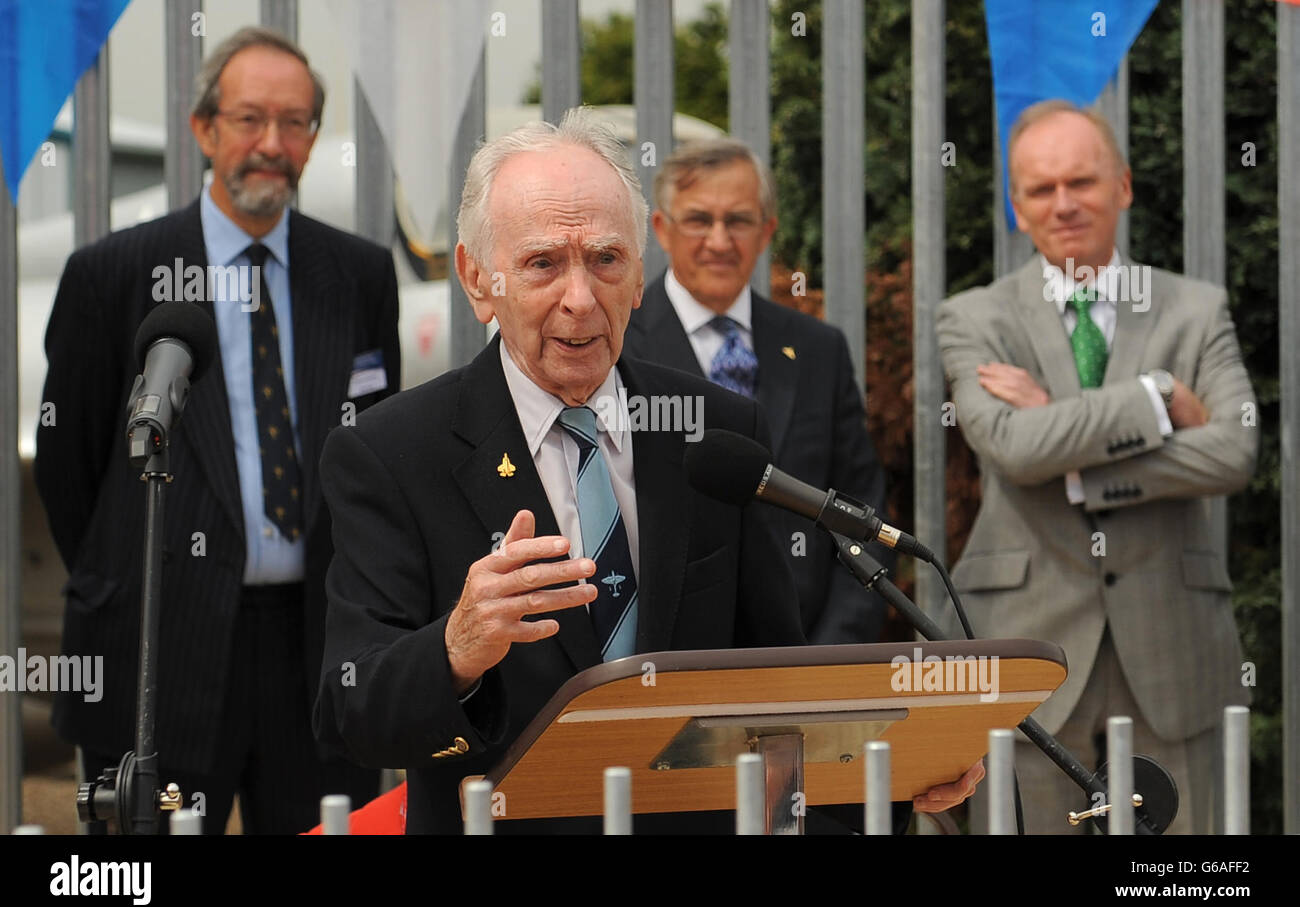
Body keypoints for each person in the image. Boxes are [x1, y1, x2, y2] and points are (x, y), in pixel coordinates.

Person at [313, 108, 982, 834]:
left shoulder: (716, 428)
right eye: (543, 263)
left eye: (606, 260)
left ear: (638, 276)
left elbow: (772, 694)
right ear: (479, 280)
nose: (580, 296)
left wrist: (886, 781)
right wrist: (457, 649)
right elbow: (351, 713)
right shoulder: (391, 452)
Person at [36, 26, 399, 834]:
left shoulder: (360, 276)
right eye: (250, 119)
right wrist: (136, 574)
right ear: (204, 129)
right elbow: (72, 474)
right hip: (159, 652)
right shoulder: (113, 275)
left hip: (318, 656)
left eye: (296, 122)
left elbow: (373, 450)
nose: (273, 144)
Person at [936, 100, 1257, 834]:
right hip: (1028, 655)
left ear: (1124, 186)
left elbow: (1235, 448)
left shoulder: (1196, 310)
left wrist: (1068, 448)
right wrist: (1157, 399)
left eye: (1082, 181)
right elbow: (1013, 449)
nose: (1064, 203)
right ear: (1017, 208)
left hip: (1173, 654)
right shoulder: (974, 316)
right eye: (1041, 190)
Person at [622, 138, 892, 644]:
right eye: (700, 219)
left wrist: (832, 655)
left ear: (767, 230)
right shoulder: (616, 350)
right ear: (661, 229)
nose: (720, 241)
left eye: (739, 221)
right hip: (666, 667)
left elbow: (861, 510)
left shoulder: (818, 350)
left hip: (807, 660)